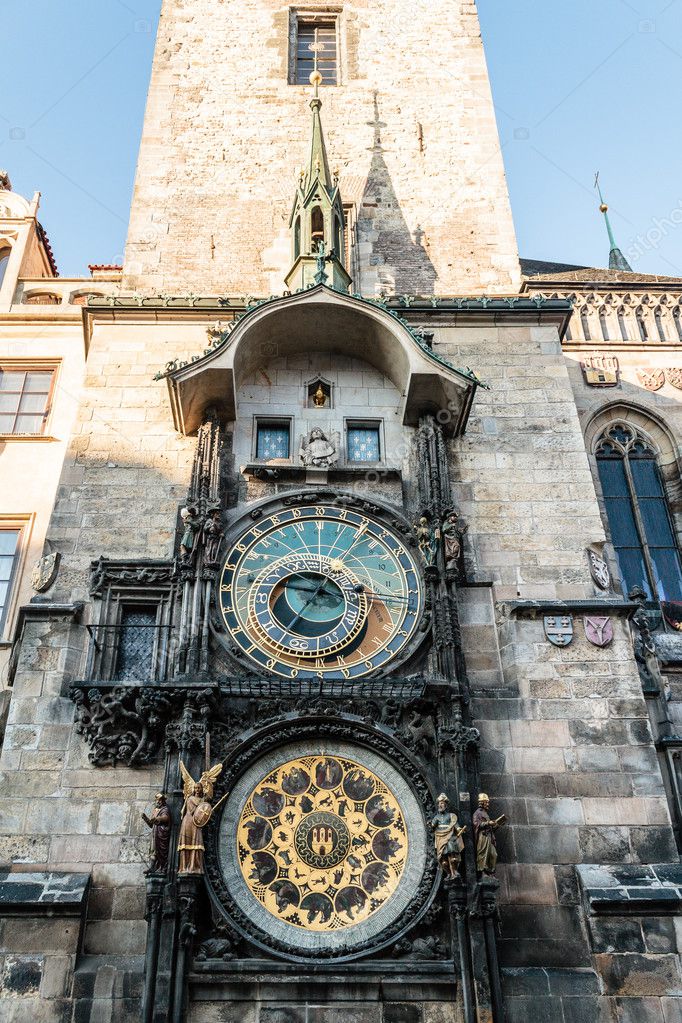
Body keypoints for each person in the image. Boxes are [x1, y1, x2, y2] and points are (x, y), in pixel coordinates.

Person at [430, 793, 465, 878]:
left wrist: (459, 829)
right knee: (443, 859)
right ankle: (448, 873)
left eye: (441, 803)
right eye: (439, 803)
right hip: (440, 837)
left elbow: (455, 824)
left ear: (446, 804)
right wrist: (431, 825)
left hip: (449, 836)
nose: (440, 805)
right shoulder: (437, 817)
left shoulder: (450, 816)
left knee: (452, 855)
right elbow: (432, 826)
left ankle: (455, 871)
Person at [473, 793, 506, 876]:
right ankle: (483, 872)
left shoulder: (485, 813)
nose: (488, 804)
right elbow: (476, 824)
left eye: (488, 802)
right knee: (483, 854)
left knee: (493, 854)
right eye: (486, 802)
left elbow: (490, 828)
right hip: (483, 837)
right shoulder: (477, 813)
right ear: (482, 803)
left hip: (489, 836)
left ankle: (491, 872)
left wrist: (497, 824)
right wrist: (488, 823)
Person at [142, 792, 171, 874]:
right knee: (153, 851)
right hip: (155, 833)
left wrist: (159, 819)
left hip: (161, 833)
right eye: (157, 800)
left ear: (163, 801)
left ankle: (163, 868)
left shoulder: (165, 809)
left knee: (160, 851)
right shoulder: (155, 810)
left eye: (160, 800)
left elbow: (166, 818)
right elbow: (151, 824)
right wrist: (146, 819)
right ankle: (152, 868)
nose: (158, 802)